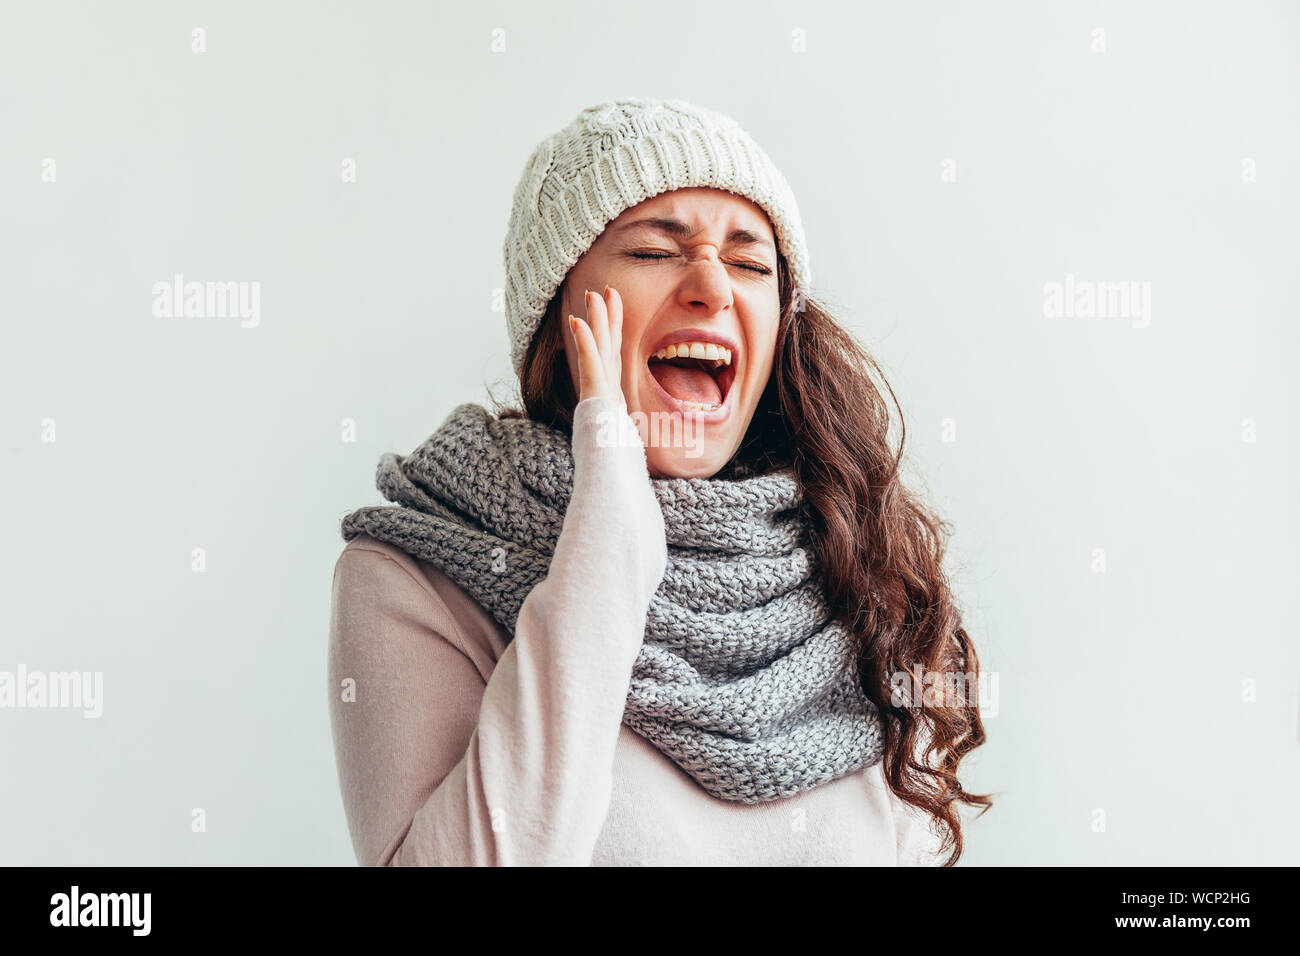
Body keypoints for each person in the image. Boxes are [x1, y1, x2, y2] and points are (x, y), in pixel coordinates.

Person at [328, 97, 993, 866]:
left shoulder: (862, 572)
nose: (713, 286)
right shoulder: (413, 578)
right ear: (556, 310)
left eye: (750, 263)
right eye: (653, 251)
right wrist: (609, 537)